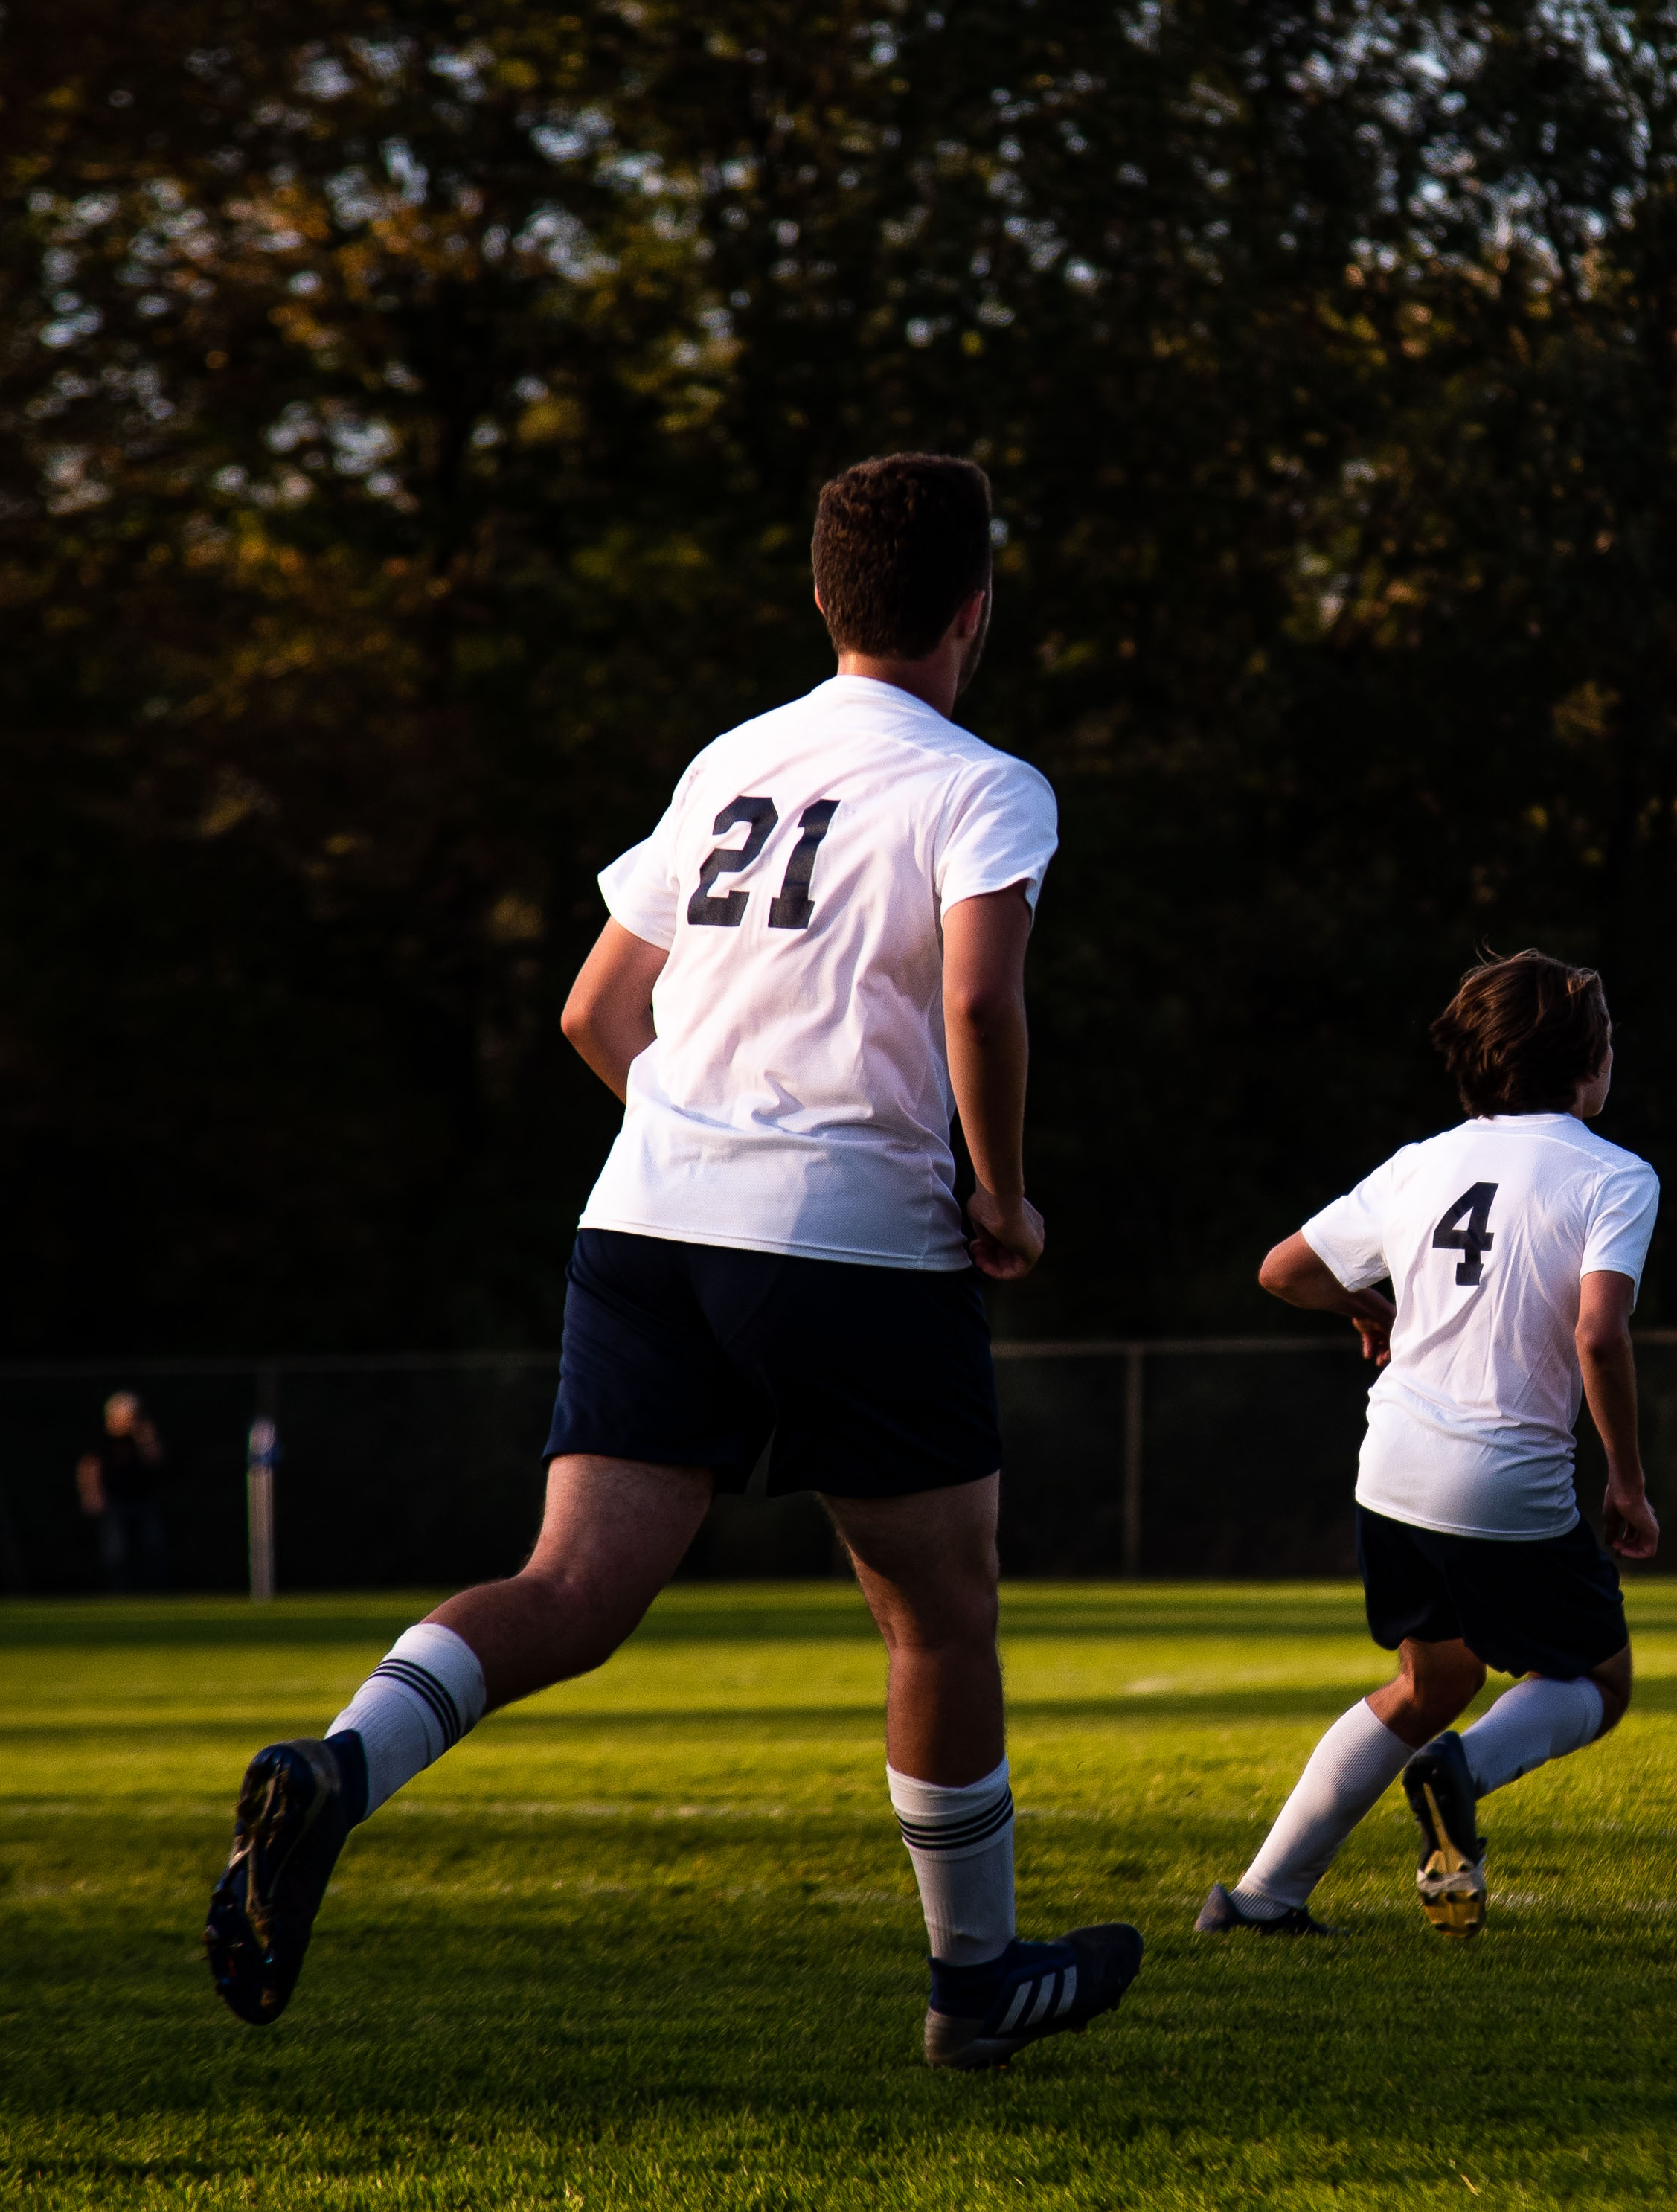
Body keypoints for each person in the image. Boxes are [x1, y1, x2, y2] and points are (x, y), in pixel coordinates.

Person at [200, 454, 1141, 2068]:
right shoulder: (985, 784)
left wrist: (705, 1136)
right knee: (937, 1615)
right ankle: (974, 1982)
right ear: (976, 611)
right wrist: (1002, 1197)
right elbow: (981, 1000)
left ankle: (342, 1763)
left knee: (569, 1586)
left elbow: (593, 1009)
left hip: (643, 1223)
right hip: (857, 1242)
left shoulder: (732, 757)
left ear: (822, 597)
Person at [1199, 951, 1659, 1942]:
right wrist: (1626, 1478)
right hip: (1505, 1483)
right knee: (1598, 1679)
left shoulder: (1422, 1160)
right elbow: (1598, 1332)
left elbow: (1283, 1270)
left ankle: (1260, 1897)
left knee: (1432, 1680)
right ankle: (1461, 1768)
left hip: (1392, 1472)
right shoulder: (1613, 1173)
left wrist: (1371, 1306)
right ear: (1587, 1063)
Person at [77, 1392, 170, 1593]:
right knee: (116, 1551)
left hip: (143, 1498)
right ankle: (119, 1592)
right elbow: (89, 1467)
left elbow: (156, 1460)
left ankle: (155, 1591)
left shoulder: (143, 1436)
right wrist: (91, 1494)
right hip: (114, 1501)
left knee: (152, 1546)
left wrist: (145, 1439)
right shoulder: (102, 1439)